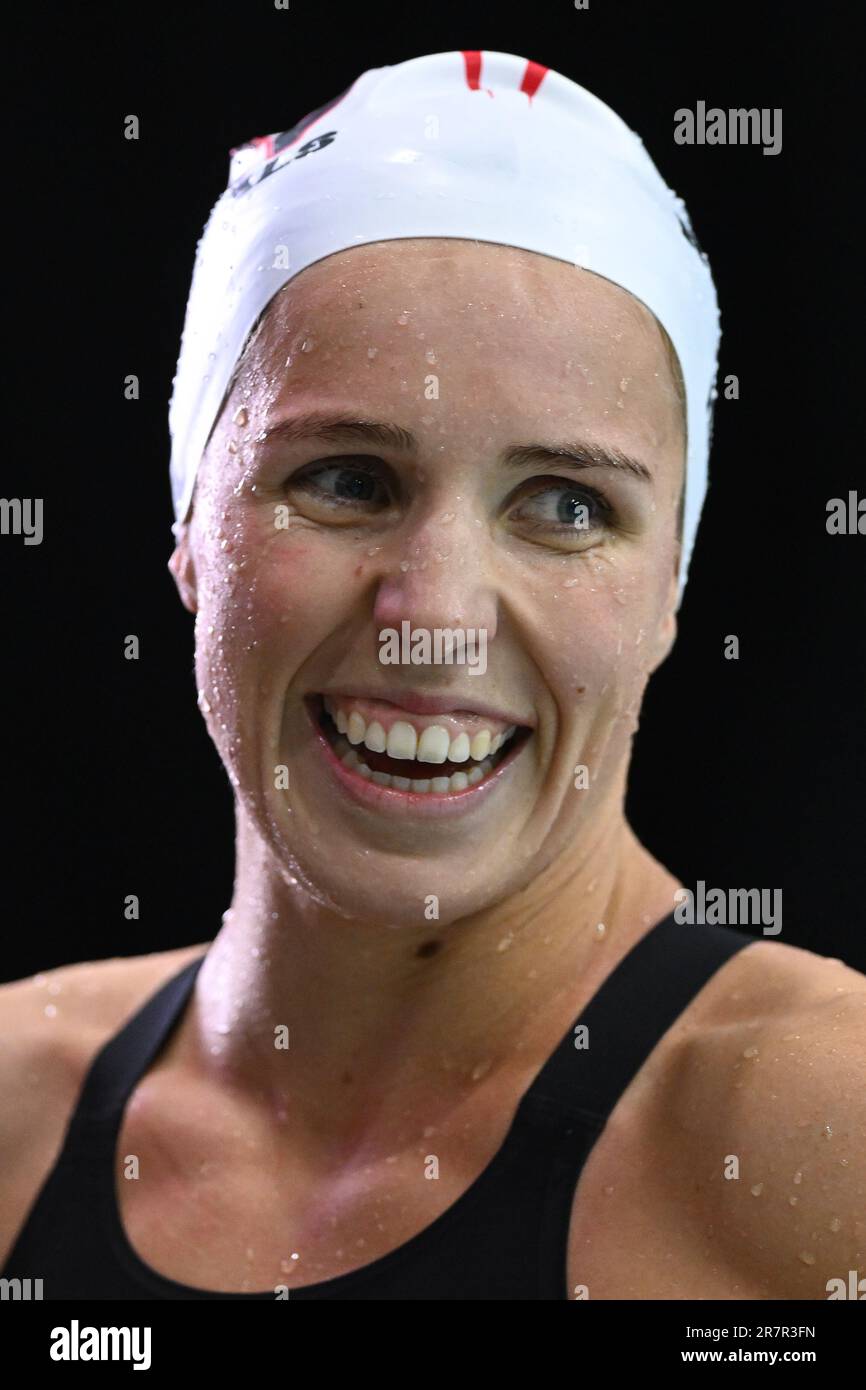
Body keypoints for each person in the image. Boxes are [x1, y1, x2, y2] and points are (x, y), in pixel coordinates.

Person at [1, 50, 863, 1301]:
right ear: (193, 525)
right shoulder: (18, 1118)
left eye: (563, 505)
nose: (435, 622)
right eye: (347, 480)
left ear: (669, 584)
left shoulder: (814, 1150)